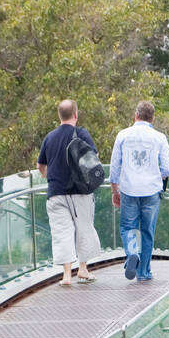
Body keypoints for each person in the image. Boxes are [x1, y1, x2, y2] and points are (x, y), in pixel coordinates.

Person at [37, 99, 102, 287]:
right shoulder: (81, 134)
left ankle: (66, 274)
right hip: (80, 191)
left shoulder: (49, 137)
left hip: (55, 193)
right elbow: (92, 157)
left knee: (61, 232)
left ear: (59, 115)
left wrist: (48, 176)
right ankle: (83, 268)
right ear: (76, 114)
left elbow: (41, 165)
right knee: (84, 228)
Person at [109, 101, 169, 282]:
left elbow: (114, 167)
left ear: (136, 115)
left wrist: (115, 190)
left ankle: (131, 252)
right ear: (152, 119)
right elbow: (167, 168)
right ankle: (143, 273)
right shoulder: (159, 137)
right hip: (151, 190)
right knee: (147, 231)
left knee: (127, 227)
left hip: (129, 189)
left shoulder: (123, 135)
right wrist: (156, 176)